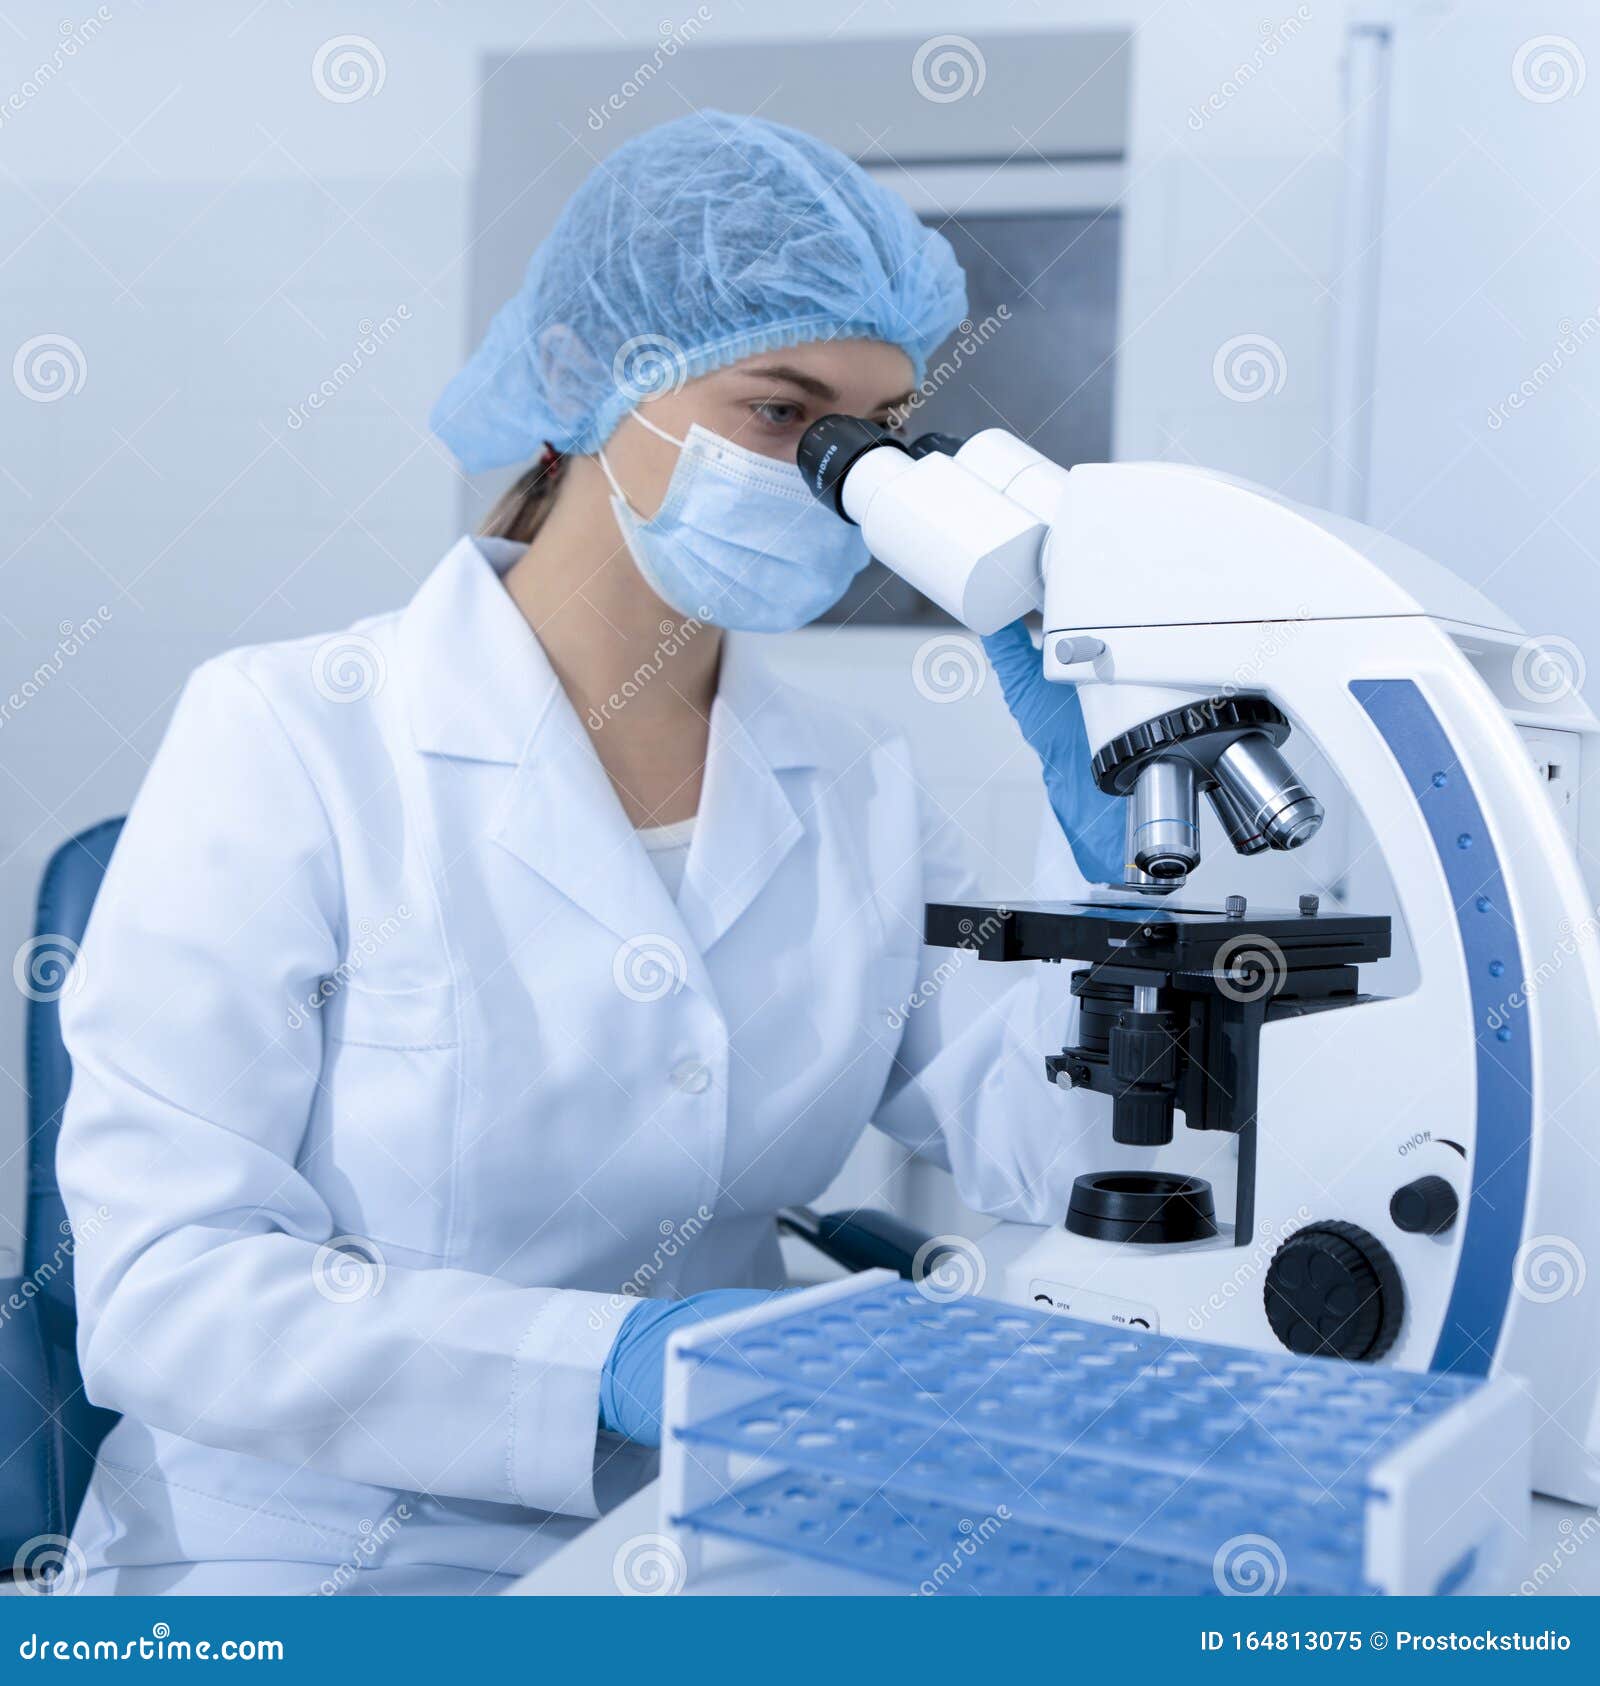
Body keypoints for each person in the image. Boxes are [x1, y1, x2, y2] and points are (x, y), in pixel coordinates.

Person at [56, 109, 1123, 1595]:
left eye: (872, 437)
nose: (836, 480)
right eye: (781, 412)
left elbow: (1051, 1150)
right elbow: (169, 1294)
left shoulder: (859, 782)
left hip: (707, 1531)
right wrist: (603, 1360)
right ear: (578, 377)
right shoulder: (292, 736)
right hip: (304, 1560)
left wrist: (1135, 881)